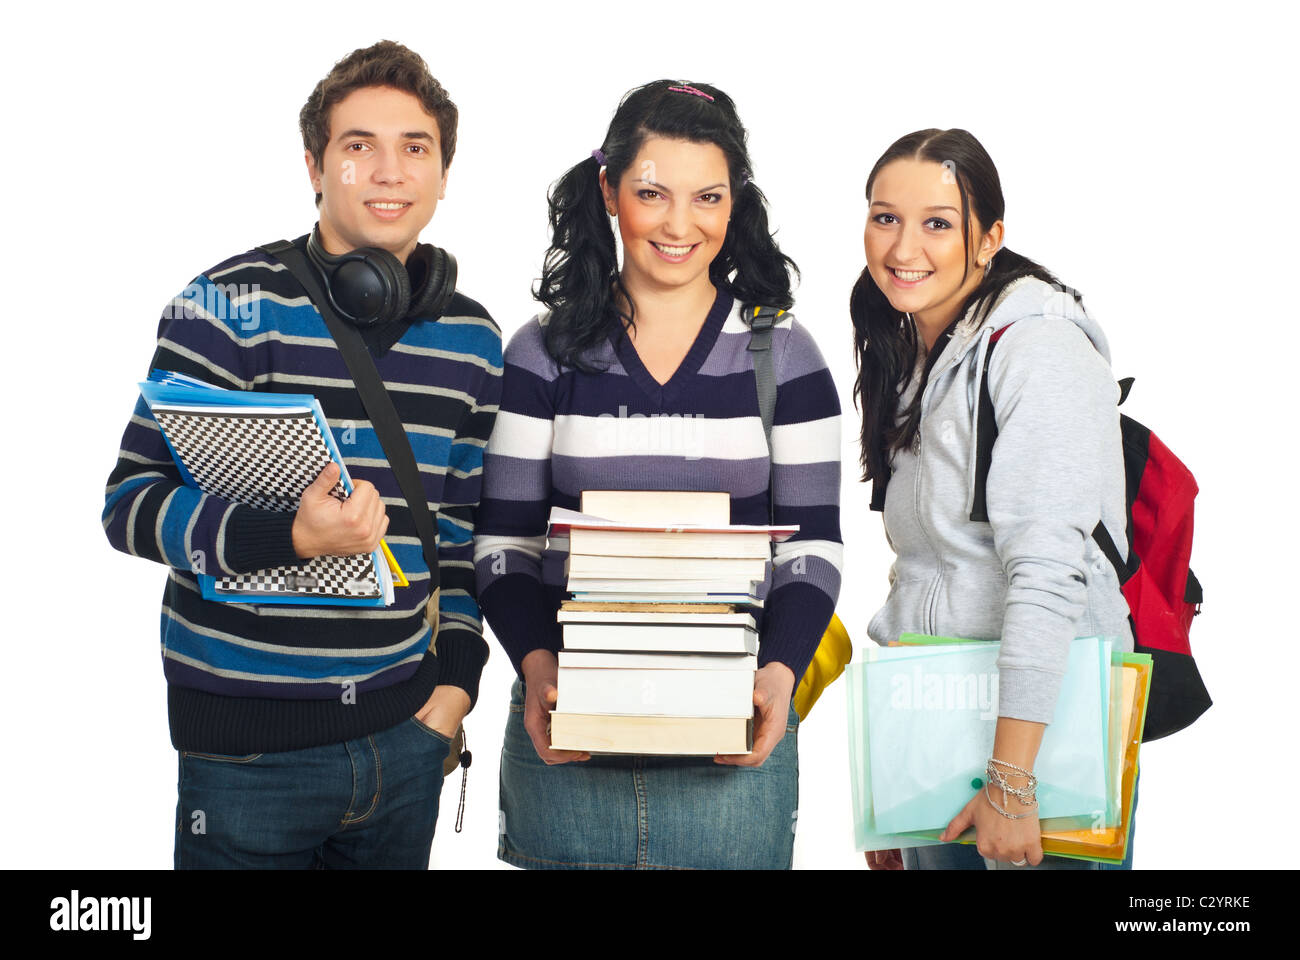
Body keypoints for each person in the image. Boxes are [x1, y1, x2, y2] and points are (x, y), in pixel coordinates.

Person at [101, 41, 502, 869]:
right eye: (359, 147)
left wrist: (454, 686)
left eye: (414, 148)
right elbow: (128, 507)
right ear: (316, 167)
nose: (389, 172)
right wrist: (289, 538)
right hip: (246, 759)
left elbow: (460, 533)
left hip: (408, 738)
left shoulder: (471, 337)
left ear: (443, 173)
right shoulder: (223, 308)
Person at [473, 80, 842, 869]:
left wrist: (779, 677)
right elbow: (503, 542)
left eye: (708, 197)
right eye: (652, 194)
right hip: (568, 738)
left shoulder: (785, 356)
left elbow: (812, 547)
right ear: (609, 192)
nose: (681, 226)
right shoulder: (540, 354)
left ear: (735, 202)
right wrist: (538, 668)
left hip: (734, 743)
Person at [851, 129, 1135, 870]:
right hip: (943, 729)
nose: (903, 245)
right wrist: (897, 790)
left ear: (989, 239)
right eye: (885, 217)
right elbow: (925, 570)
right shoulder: (916, 352)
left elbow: (1046, 570)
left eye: (938, 223)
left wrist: (1013, 782)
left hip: (1040, 746)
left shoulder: (1037, 348)